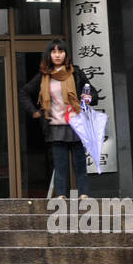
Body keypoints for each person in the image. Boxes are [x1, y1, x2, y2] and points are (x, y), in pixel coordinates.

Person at [21, 39, 98, 199]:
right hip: (55, 127)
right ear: (49, 54)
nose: (57, 55)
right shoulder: (44, 76)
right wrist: (34, 111)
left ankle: (83, 194)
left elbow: (93, 93)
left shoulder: (76, 73)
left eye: (60, 51)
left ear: (66, 54)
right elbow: (24, 93)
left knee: (80, 165)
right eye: (54, 52)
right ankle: (61, 195)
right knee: (60, 165)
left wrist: (86, 98)